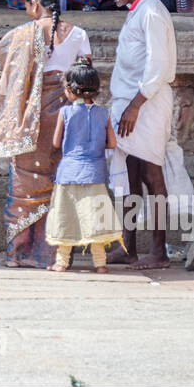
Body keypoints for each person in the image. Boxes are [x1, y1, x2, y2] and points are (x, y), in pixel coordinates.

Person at [0, 0, 92, 268]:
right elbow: (86, 78)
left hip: (28, 118)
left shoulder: (20, 35)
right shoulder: (79, 34)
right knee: (57, 184)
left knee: (23, 183)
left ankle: (18, 254)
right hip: (65, 116)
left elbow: (7, 66)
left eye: (27, 6)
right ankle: (50, 255)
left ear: (35, 5)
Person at [101, 0, 178, 270]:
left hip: (145, 105)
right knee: (129, 176)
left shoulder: (152, 13)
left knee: (150, 174)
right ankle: (127, 245)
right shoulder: (139, 11)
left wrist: (135, 105)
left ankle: (158, 251)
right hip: (130, 104)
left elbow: (158, 67)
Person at [47, 59, 124, 274]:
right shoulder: (103, 113)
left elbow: (55, 143)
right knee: (96, 218)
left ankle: (61, 262)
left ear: (70, 91)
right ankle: (100, 263)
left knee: (65, 215)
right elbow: (112, 143)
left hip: (69, 172)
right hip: (95, 173)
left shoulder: (65, 113)